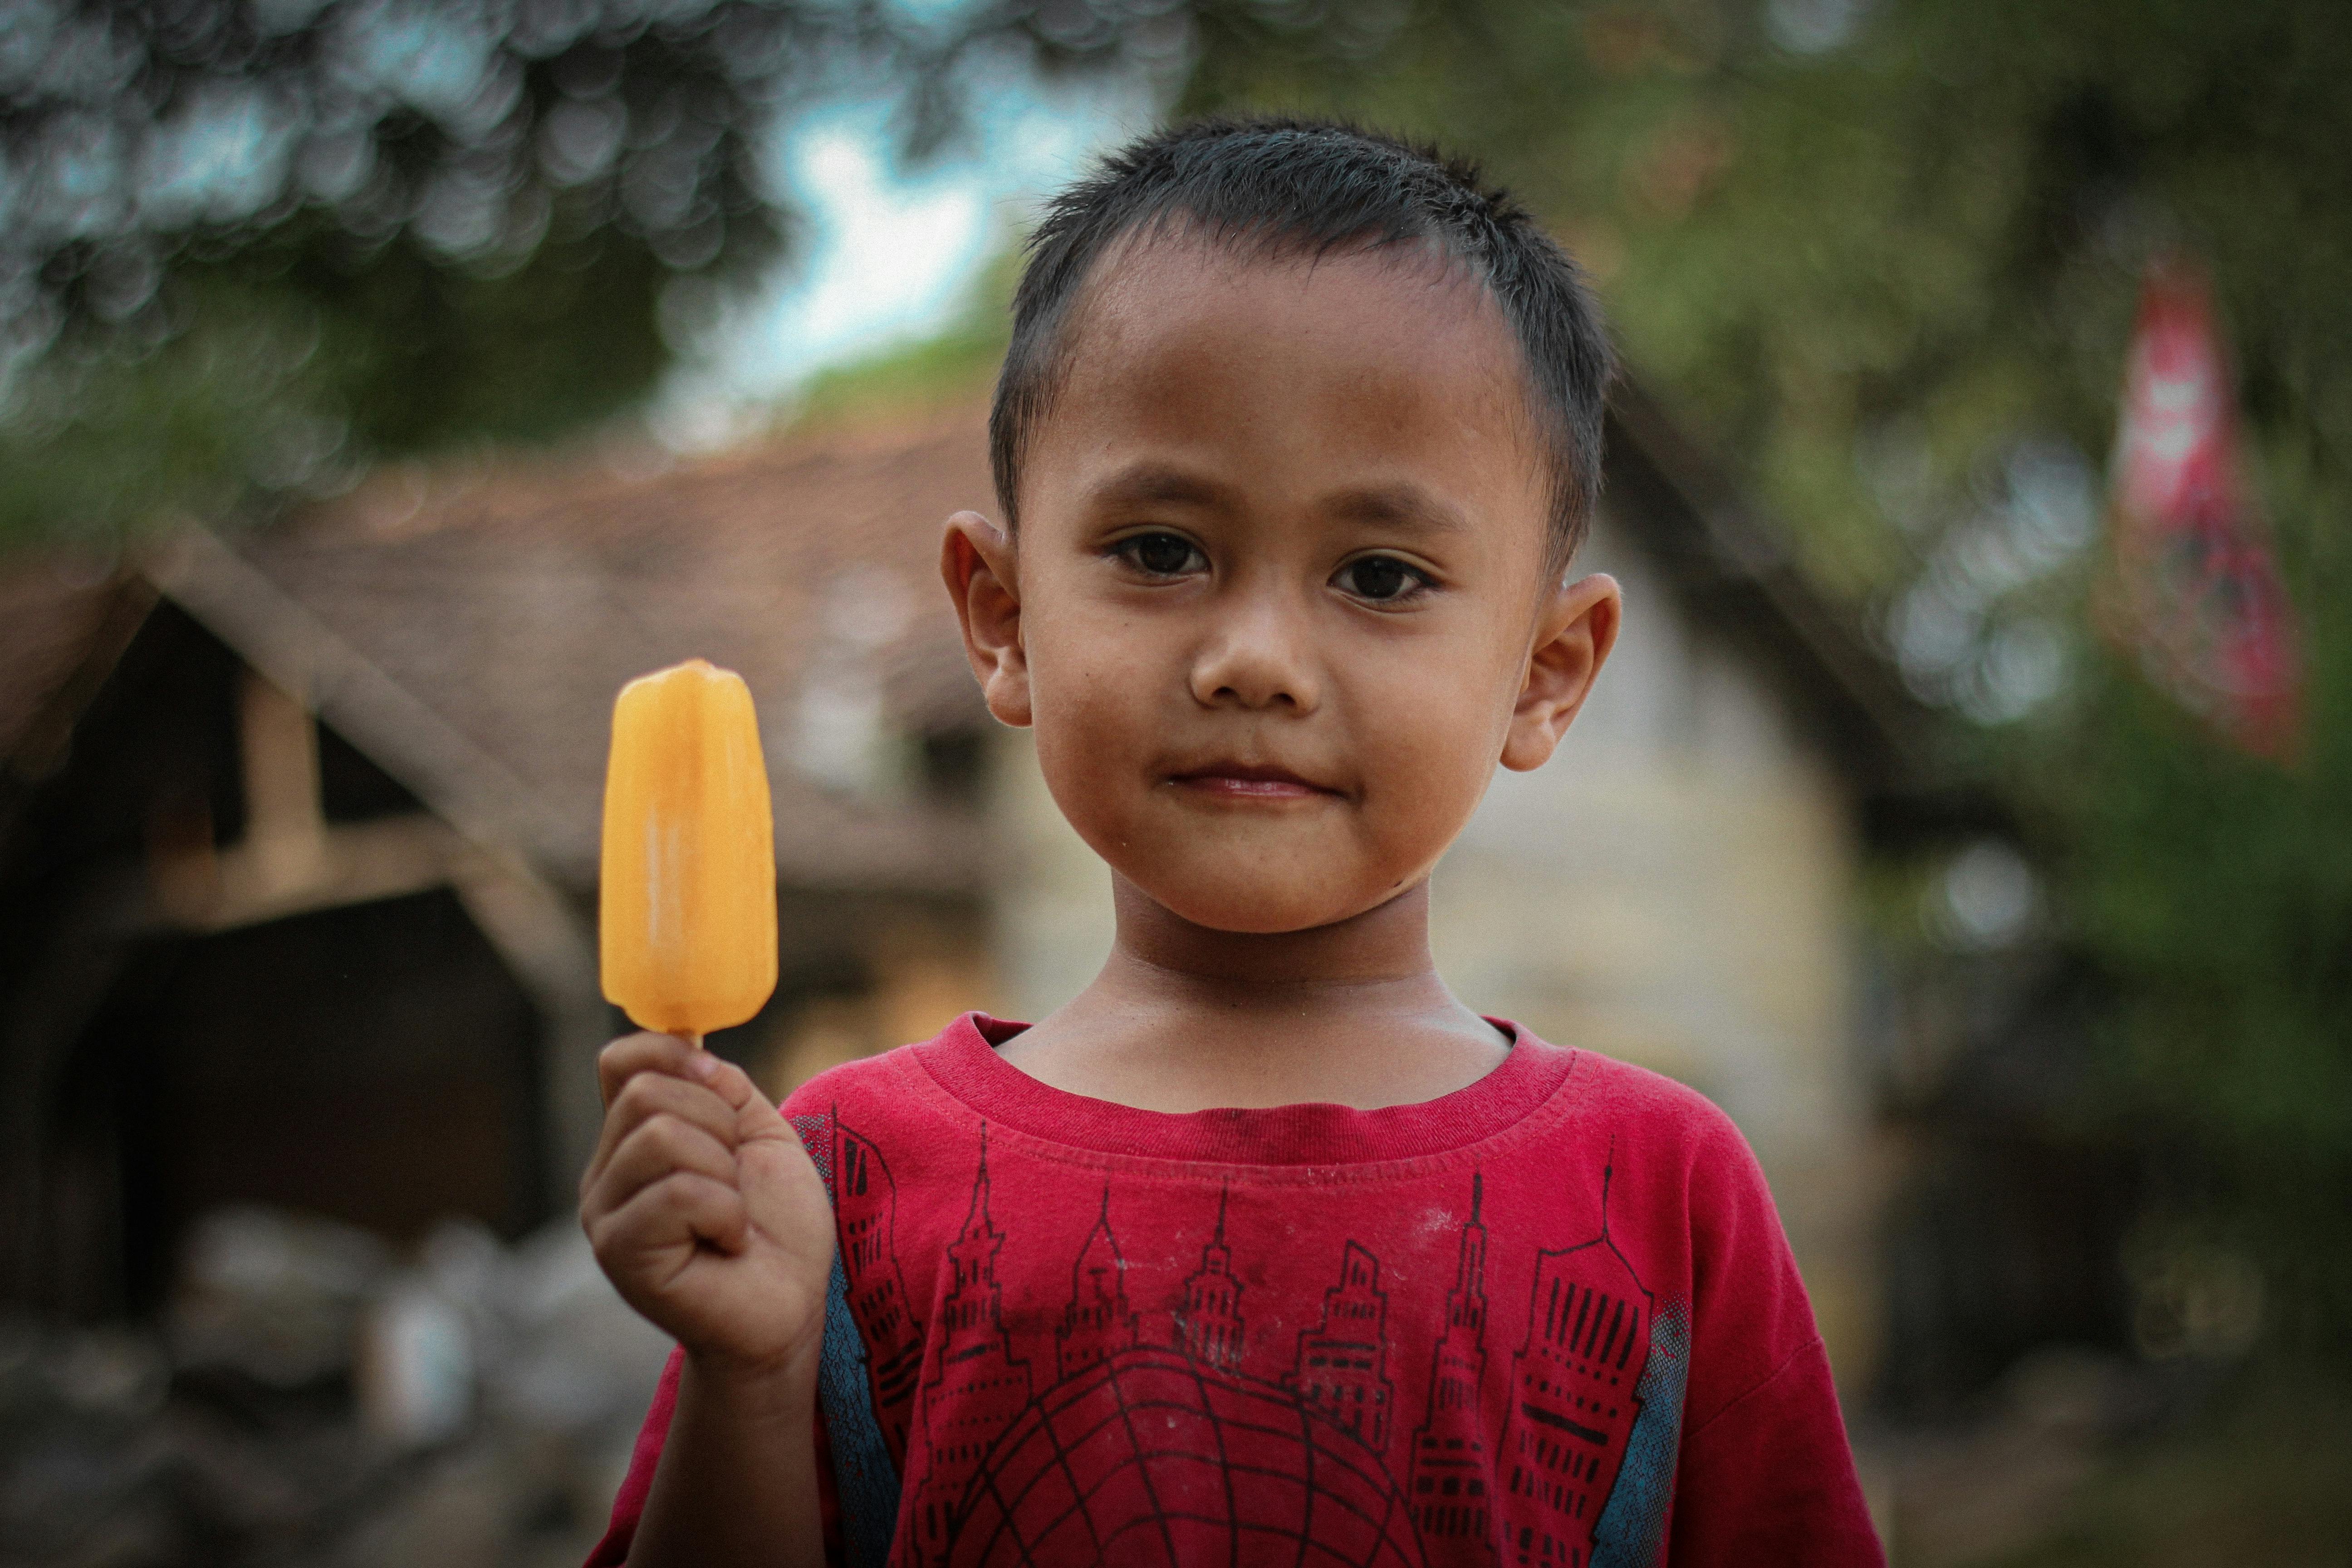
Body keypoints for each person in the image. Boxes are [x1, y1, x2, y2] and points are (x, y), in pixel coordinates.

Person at [581, 117, 1884, 1568]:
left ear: (1546, 670)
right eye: (1161, 551)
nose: (1255, 657)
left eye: (1380, 575)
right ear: (1003, 619)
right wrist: (750, 1377)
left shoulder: (1657, 1194)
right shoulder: (837, 1180)